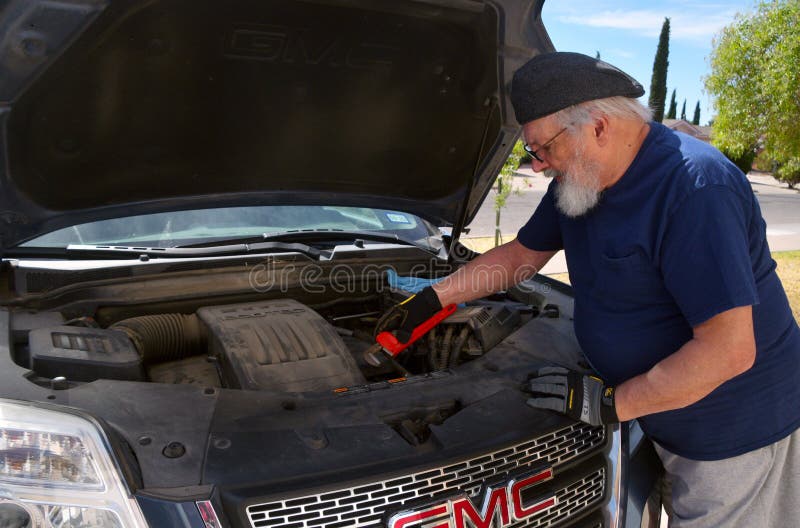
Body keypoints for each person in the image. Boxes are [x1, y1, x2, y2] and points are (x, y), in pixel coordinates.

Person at [376, 52, 800, 527]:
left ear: (598, 126)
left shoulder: (694, 189)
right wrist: (435, 297)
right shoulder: (582, 180)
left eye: (543, 149)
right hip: (656, 413)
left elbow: (729, 351)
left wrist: (610, 404)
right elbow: (519, 257)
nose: (536, 166)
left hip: (732, 436)